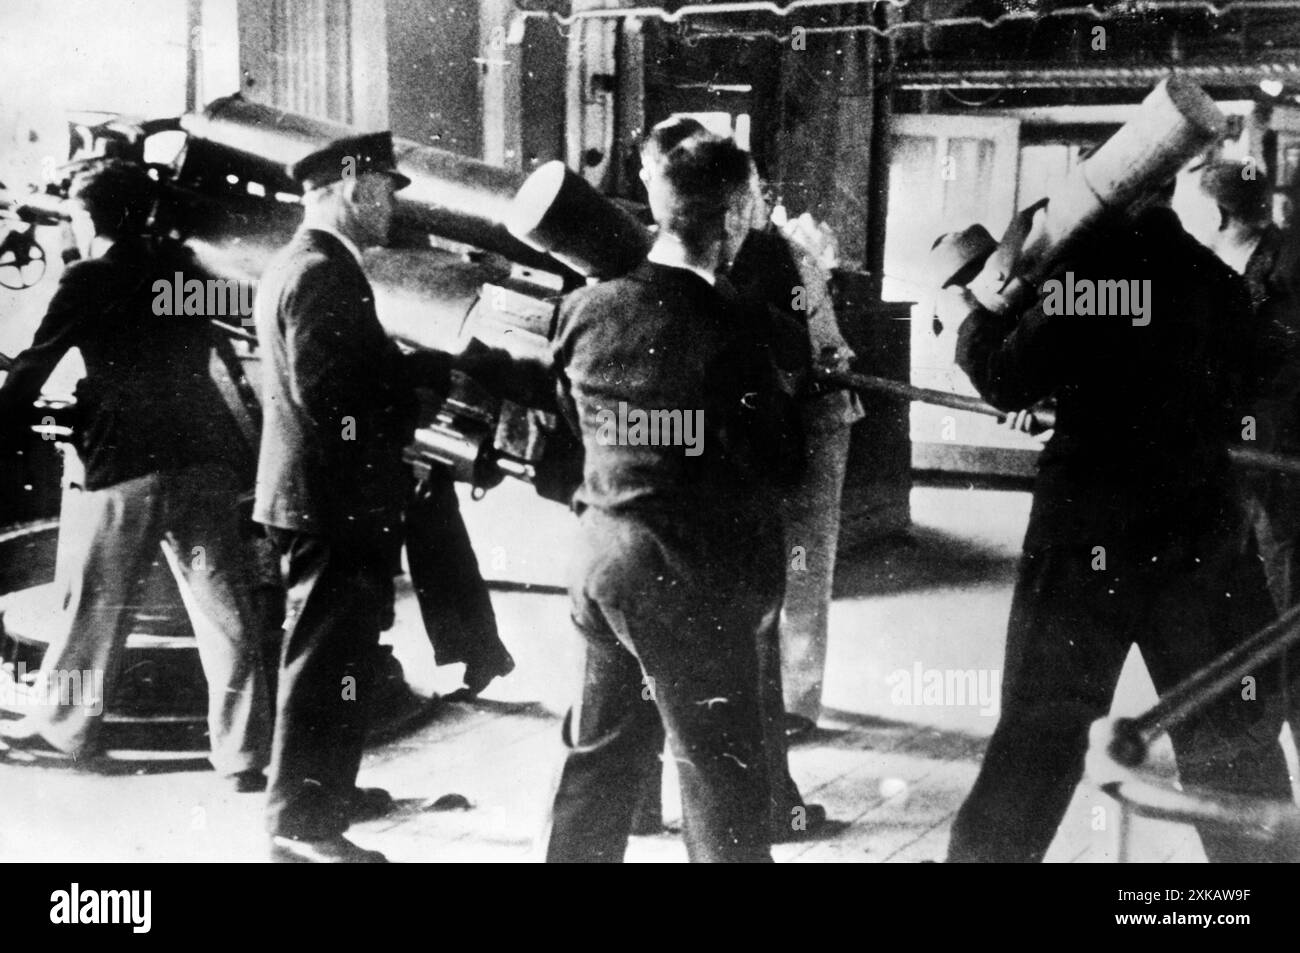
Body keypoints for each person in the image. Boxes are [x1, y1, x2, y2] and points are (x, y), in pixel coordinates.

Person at [946, 179, 1293, 863]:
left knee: (1039, 737)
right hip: (1201, 531)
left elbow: (1006, 376)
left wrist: (975, 312)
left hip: (1087, 533)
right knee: (1228, 738)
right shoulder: (1214, 279)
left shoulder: (1085, 273)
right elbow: (1254, 373)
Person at [542, 134, 803, 862]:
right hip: (686, 581)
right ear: (735, 215)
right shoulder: (735, 329)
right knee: (722, 775)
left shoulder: (585, 310)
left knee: (597, 760)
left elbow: (575, 425)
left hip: (600, 568)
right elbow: (779, 460)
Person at [0, 160, 271, 787]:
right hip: (201, 461)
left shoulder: (86, 279)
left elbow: (33, 369)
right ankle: (243, 757)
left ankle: (63, 730)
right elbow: (225, 323)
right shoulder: (185, 273)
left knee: (93, 605)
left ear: (90, 216)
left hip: (124, 466)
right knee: (224, 612)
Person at [254, 132, 452, 863]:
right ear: (350, 188)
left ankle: (324, 794)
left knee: (341, 656)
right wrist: (415, 396)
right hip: (332, 502)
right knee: (322, 661)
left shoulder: (305, 263)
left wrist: (398, 377)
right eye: (384, 190)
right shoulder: (323, 271)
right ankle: (298, 826)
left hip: (322, 497)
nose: (391, 205)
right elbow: (331, 394)